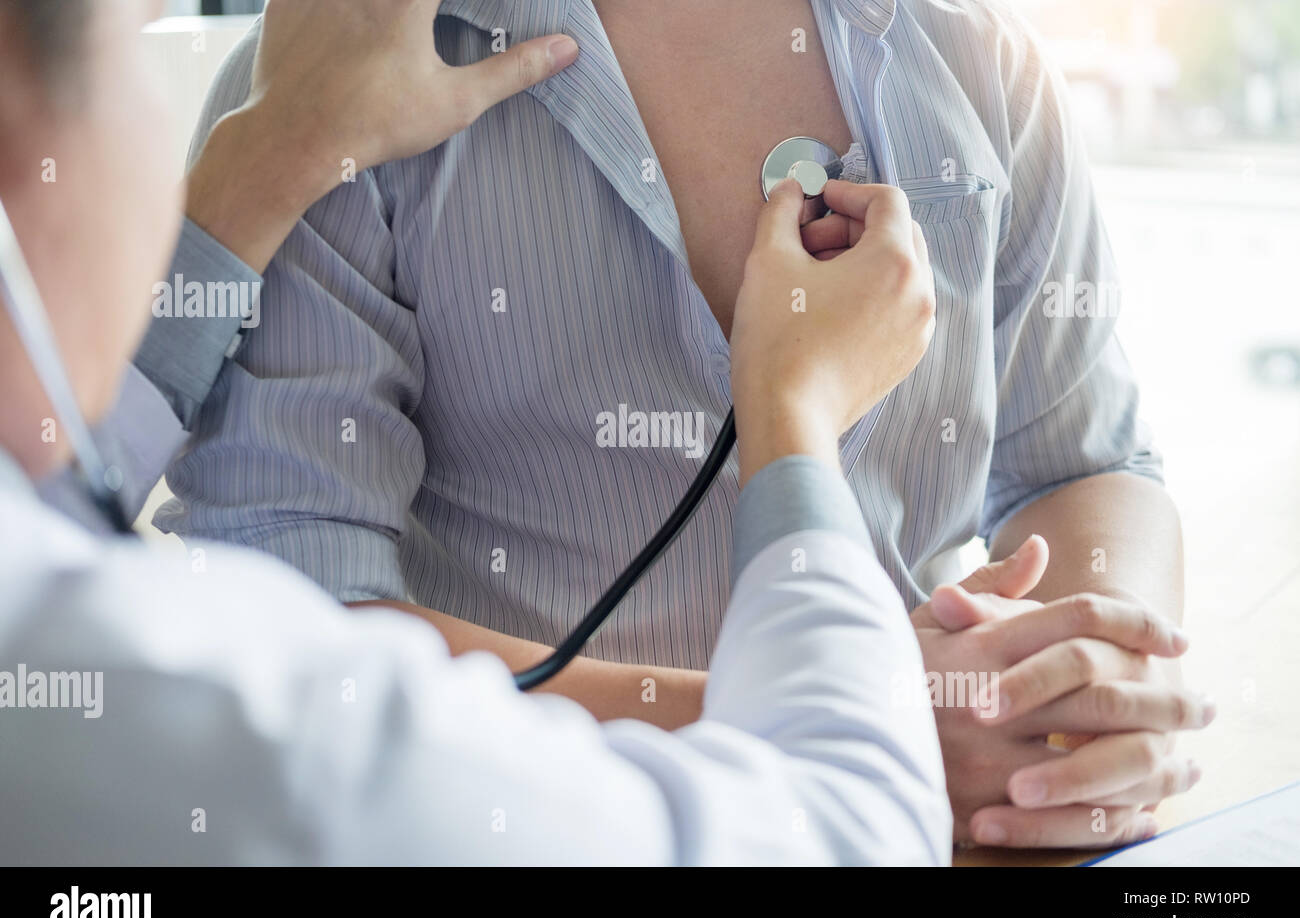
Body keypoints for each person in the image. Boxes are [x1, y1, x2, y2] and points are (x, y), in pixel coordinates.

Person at [119, 0, 1213, 849]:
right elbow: (300, 614)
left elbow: (1091, 459)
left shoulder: (974, 53)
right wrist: (863, 727)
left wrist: (1058, 710)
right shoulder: (343, 76)